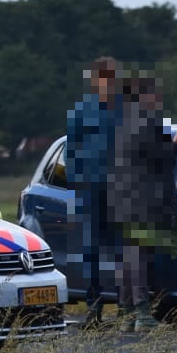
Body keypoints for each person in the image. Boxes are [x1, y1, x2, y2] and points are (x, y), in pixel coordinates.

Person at [108, 73, 177, 332]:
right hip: (141, 201)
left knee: (130, 257)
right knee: (138, 257)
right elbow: (160, 159)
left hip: (125, 199)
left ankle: (128, 315)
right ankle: (141, 315)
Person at [65, 57, 120, 329]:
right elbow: (72, 154)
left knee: (124, 250)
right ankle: (93, 309)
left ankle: (127, 307)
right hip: (92, 190)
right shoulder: (82, 112)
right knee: (93, 252)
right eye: (102, 78)